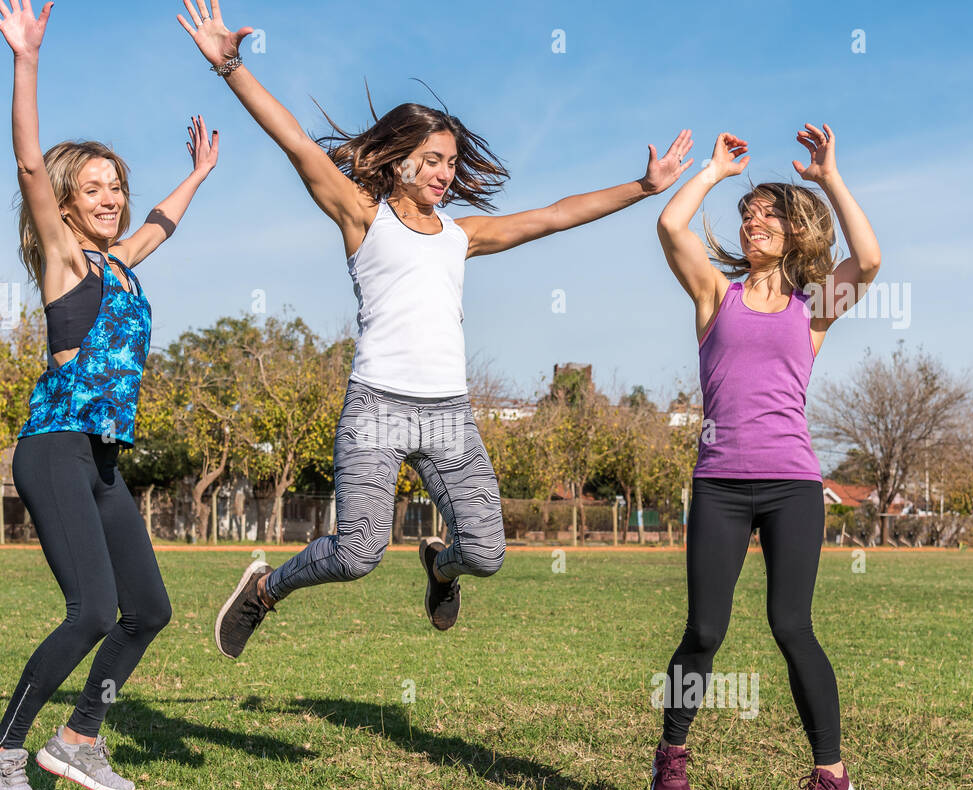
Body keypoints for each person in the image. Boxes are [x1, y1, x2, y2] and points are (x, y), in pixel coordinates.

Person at [176, 0, 694, 659]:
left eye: (451, 160)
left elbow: (555, 215)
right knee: (358, 552)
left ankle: (439, 567)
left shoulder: (462, 236)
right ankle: (264, 589)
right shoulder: (362, 215)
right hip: (376, 406)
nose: (446, 172)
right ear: (398, 162)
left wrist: (643, 188)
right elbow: (298, 144)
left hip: (448, 412)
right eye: (433, 158)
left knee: (486, 552)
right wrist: (231, 66)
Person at [0, 0, 219, 790]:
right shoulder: (66, 259)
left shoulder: (124, 261)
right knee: (92, 610)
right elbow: (31, 167)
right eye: (94, 187)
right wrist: (25, 61)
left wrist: (197, 177)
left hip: (101, 457)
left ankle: (76, 738)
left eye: (117, 186)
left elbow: (158, 227)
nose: (110, 198)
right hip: (54, 446)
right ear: (68, 204)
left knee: (148, 609)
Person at [650, 125, 881, 790]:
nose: (755, 223)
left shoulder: (811, 310)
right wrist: (715, 172)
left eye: (769, 215)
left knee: (791, 625)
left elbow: (868, 259)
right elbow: (669, 222)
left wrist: (830, 177)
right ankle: (672, 753)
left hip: (792, 486)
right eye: (748, 215)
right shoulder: (713, 293)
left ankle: (831, 776)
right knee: (705, 629)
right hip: (719, 483)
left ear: (794, 231)